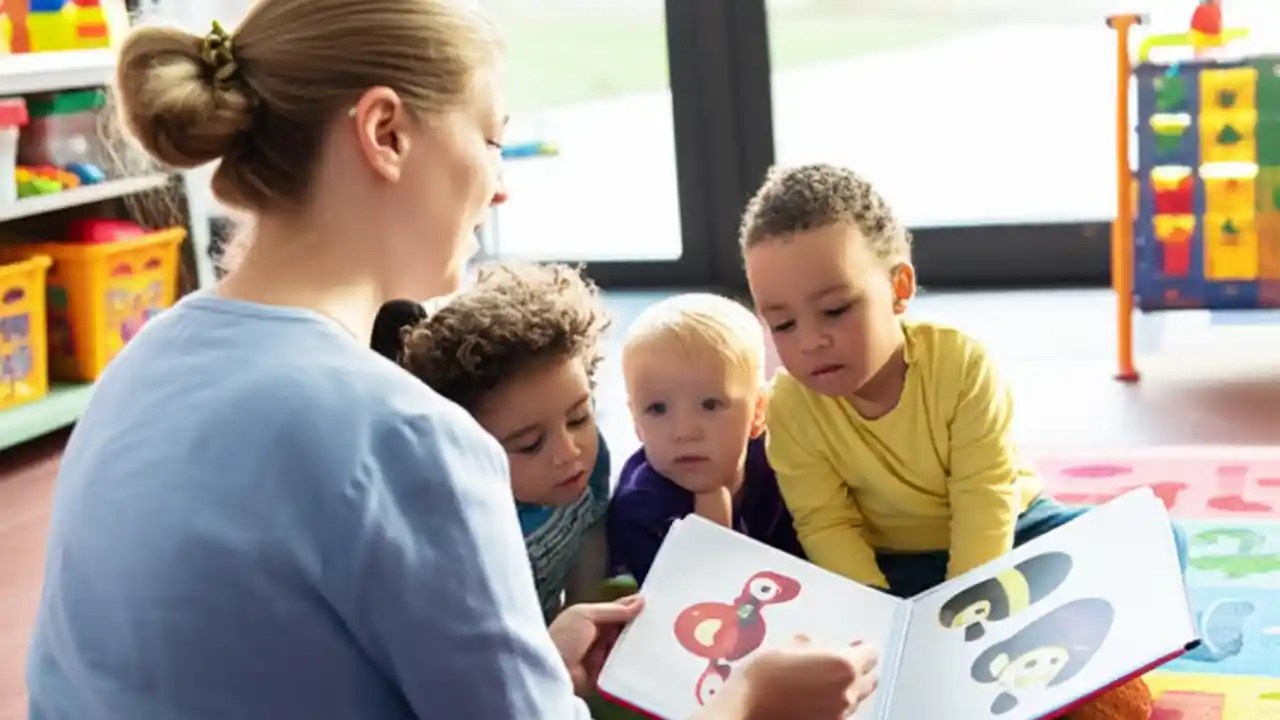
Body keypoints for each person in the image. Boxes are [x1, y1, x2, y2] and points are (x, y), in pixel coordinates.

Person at [23, 3, 880, 718]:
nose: (501, 185)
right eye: (493, 140)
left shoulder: (140, 365)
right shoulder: (403, 434)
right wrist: (748, 704)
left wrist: (533, 657)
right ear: (386, 131)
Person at [738, 162, 1191, 714]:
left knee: (1162, 542)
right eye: (782, 324)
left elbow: (986, 497)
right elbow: (824, 522)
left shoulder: (960, 364)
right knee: (809, 615)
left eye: (835, 310)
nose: (810, 341)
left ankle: (1030, 656)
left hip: (1007, 538)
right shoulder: (789, 403)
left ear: (898, 288)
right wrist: (875, 615)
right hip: (894, 566)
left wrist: (963, 611)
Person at [396, 261, 612, 620]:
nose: (569, 452)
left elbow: (591, 530)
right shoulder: (462, 526)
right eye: (530, 444)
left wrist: (584, 615)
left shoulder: (590, 456)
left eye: (578, 418)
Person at [608, 292, 805, 585]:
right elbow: (686, 600)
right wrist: (711, 527)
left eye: (710, 405)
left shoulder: (780, 460)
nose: (685, 432)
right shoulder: (638, 509)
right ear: (636, 422)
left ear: (758, 412)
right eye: (657, 409)